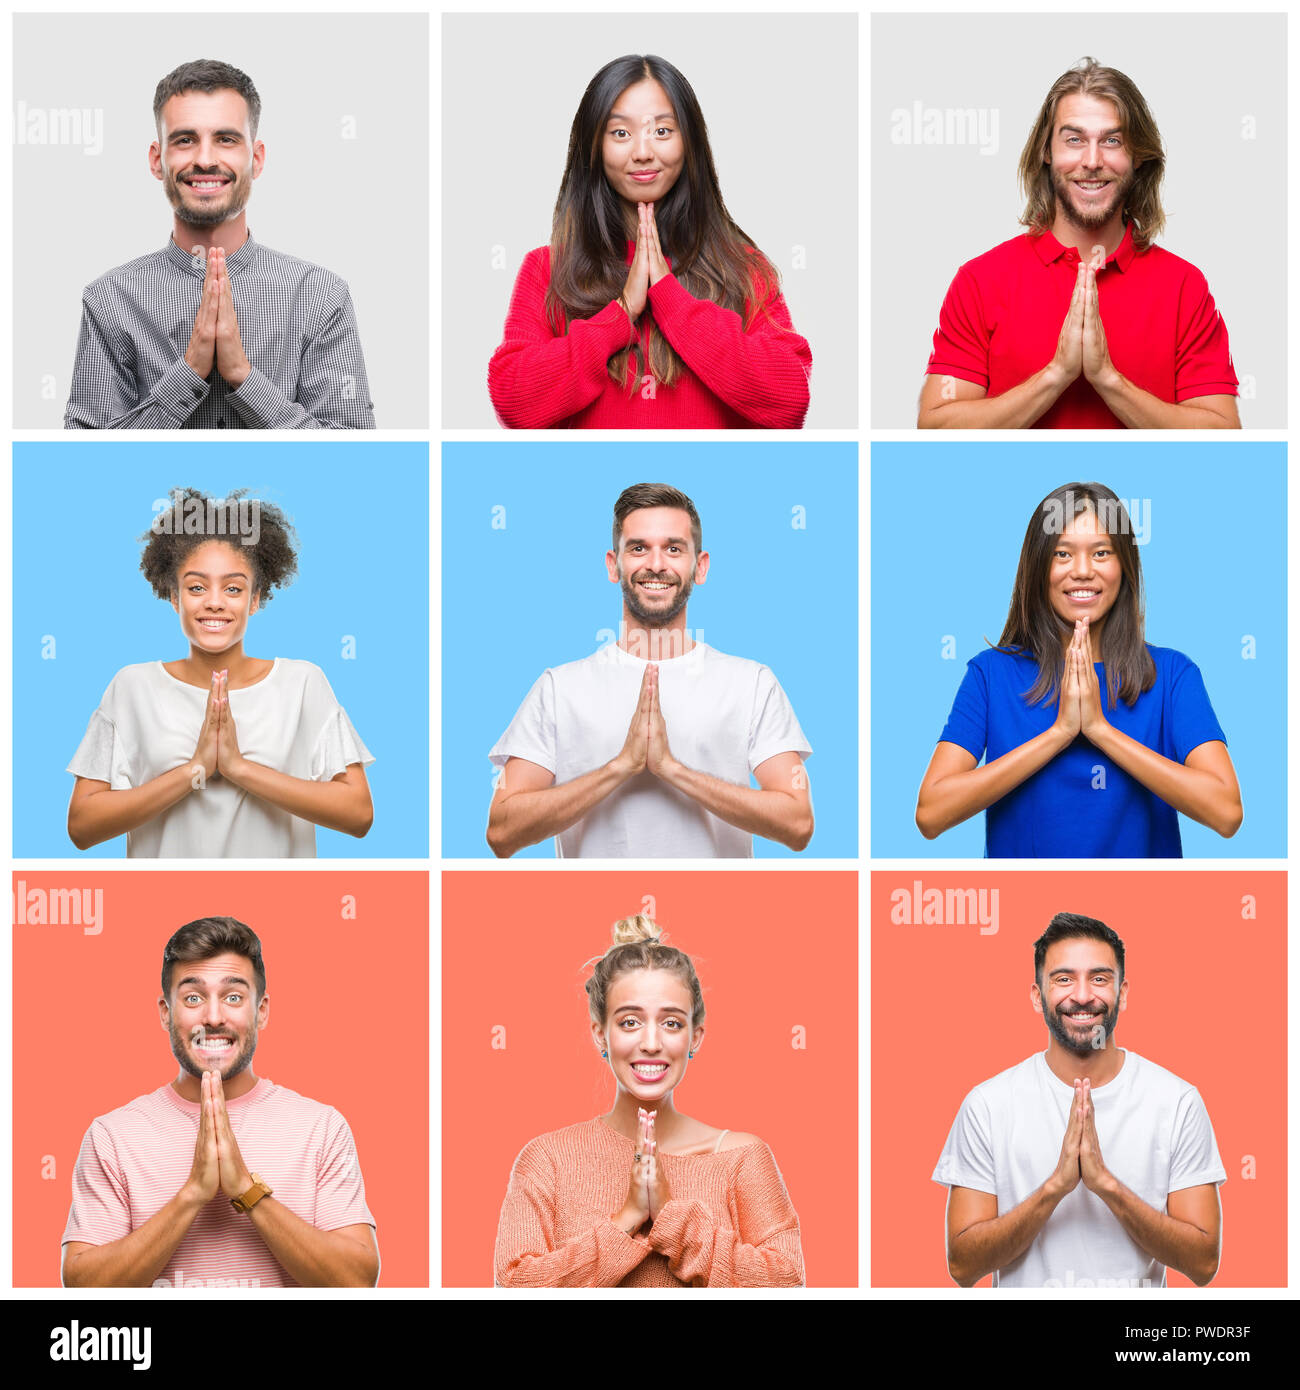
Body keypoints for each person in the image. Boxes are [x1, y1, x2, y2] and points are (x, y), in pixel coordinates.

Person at [915, 481, 1241, 857]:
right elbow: (931, 813)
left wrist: (1100, 730)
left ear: (1125, 565)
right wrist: (1060, 733)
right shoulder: (990, 674)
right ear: (1039, 567)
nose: (1083, 571)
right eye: (1063, 554)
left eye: (1101, 552)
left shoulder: (1172, 675)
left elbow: (1226, 812)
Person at [487, 483, 813, 857]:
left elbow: (798, 824)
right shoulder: (559, 688)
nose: (656, 564)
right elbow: (502, 830)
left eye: (673, 548)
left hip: (717, 913)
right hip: (597, 913)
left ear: (699, 566)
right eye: (638, 548)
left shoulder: (752, 683)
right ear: (614, 565)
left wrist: (673, 770)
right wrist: (620, 767)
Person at [488, 53, 811, 429]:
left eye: (662, 131)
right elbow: (514, 403)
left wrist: (672, 301)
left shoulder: (742, 267)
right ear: (593, 147)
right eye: (620, 133)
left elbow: (789, 401)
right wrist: (621, 313)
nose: (643, 153)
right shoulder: (547, 269)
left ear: (689, 143)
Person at [917, 57, 1239, 430]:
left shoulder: (1185, 286)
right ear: (1046, 152)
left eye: (1112, 141)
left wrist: (1108, 380)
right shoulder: (980, 280)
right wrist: (1055, 375)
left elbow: (1224, 439)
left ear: (1138, 157)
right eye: (1074, 139)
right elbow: (937, 430)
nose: (1091, 160)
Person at [62, 917, 380, 1288]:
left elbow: (358, 1280)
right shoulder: (112, 1136)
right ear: (166, 1013)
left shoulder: (321, 1128)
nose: (213, 1018)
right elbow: (82, 1287)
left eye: (233, 997)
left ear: (261, 1011)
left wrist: (247, 1190)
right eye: (193, 998)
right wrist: (193, 1194)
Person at [494, 915, 804, 1287]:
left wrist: (674, 1219)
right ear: (600, 1034)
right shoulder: (547, 1160)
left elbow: (788, 1283)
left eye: (672, 1023)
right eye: (629, 1022)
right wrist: (626, 1220)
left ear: (696, 1036)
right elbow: (514, 1286)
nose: (652, 1043)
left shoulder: (742, 1159)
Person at [64, 58, 375, 429]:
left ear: (255, 159)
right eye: (185, 140)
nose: (206, 159)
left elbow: (357, 463)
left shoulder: (320, 296)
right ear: (157, 160)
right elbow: (82, 468)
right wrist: (189, 372)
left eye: (226, 139)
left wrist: (244, 377)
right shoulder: (110, 300)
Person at [66, 488, 374, 857]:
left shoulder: (303, 683)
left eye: (233, 588)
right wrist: (193, 771)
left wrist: (238, 768)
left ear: (255, 599)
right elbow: (82, 826)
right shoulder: (132, 687)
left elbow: (358, 814)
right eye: (197, 587)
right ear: (175, 597)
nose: (214, 602)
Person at [933, 912, 1225, 1288]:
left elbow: (1203, 1265)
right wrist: (1055, 1187)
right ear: (1038, 997)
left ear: (1122, 993)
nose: (1083, 995)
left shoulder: (1177, 1101)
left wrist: (1106, 1184)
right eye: (1064, 979)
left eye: (1100, 978)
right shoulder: (988, 1105)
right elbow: (963, 1266)